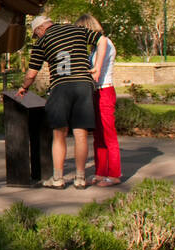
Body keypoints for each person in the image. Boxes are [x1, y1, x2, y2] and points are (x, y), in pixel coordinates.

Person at [17, 14, 101, 189]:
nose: (37, 37)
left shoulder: (42, 42)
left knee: (59, 134)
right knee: (81, 134)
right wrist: (98, 67)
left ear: (40, 29)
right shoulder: (76, 30)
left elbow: (32, 73)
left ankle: (58, 178)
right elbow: (101, 39)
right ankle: (80, 178)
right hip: (82, 84)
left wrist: (24, 87)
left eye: (36, 34)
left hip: (60, 87)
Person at [78, 13, 120, 186]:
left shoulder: (105, 43)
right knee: (98, 135)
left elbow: (98, 69)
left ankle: (114, 173)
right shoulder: (95, 48)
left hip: (105, 90)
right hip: (95, 91)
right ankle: (100, 172)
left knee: (108, 134)